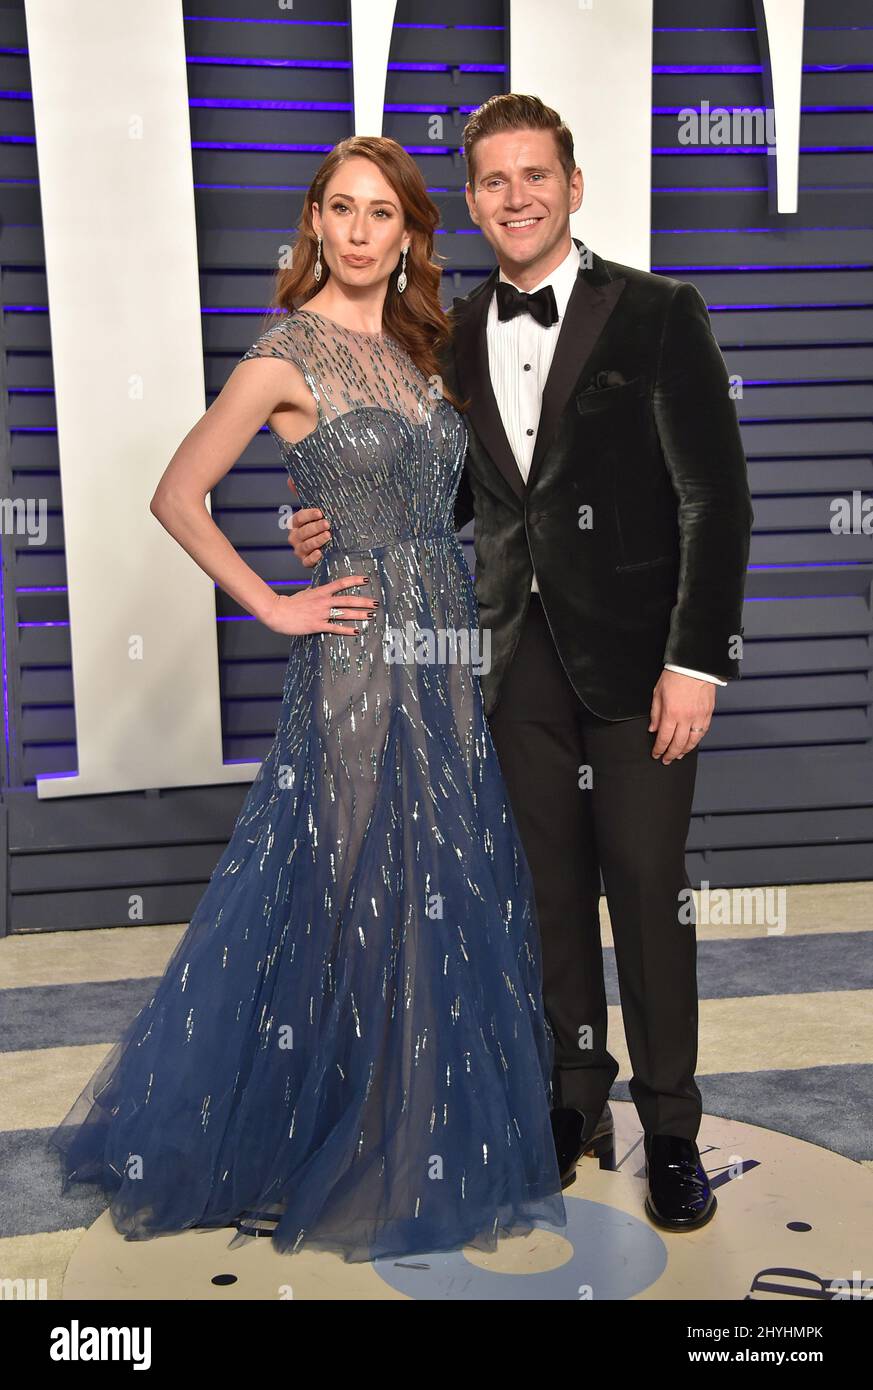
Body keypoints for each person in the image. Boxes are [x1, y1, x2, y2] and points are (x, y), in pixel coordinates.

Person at [48, 134, 567, 1264]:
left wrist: (315, 513)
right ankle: (361, 1140)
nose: (363, 230)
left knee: (451, 880)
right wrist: (275, 599)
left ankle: (426, 1127)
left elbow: (455, 496)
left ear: (411, 231)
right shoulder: (287, 354)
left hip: (444, 650)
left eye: (385, 212)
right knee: (362, 889)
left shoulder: (430, 347)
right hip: (361, 655)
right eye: (344, 209)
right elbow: (177, 492)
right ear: (317, 224)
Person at [289, 96, 754, 1232]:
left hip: (644, 662)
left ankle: (675, 1127)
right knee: (546, 894)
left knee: (646, 886)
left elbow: (716, 498)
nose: (515, 197)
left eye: (534, 176)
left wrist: (698, 661)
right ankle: (573, 1099)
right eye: (492, 181)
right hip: (510, 663)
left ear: (573, 185)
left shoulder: (656, 312)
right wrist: (334, 527)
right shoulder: (447, 335)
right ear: (474, 199)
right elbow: (444, 493)